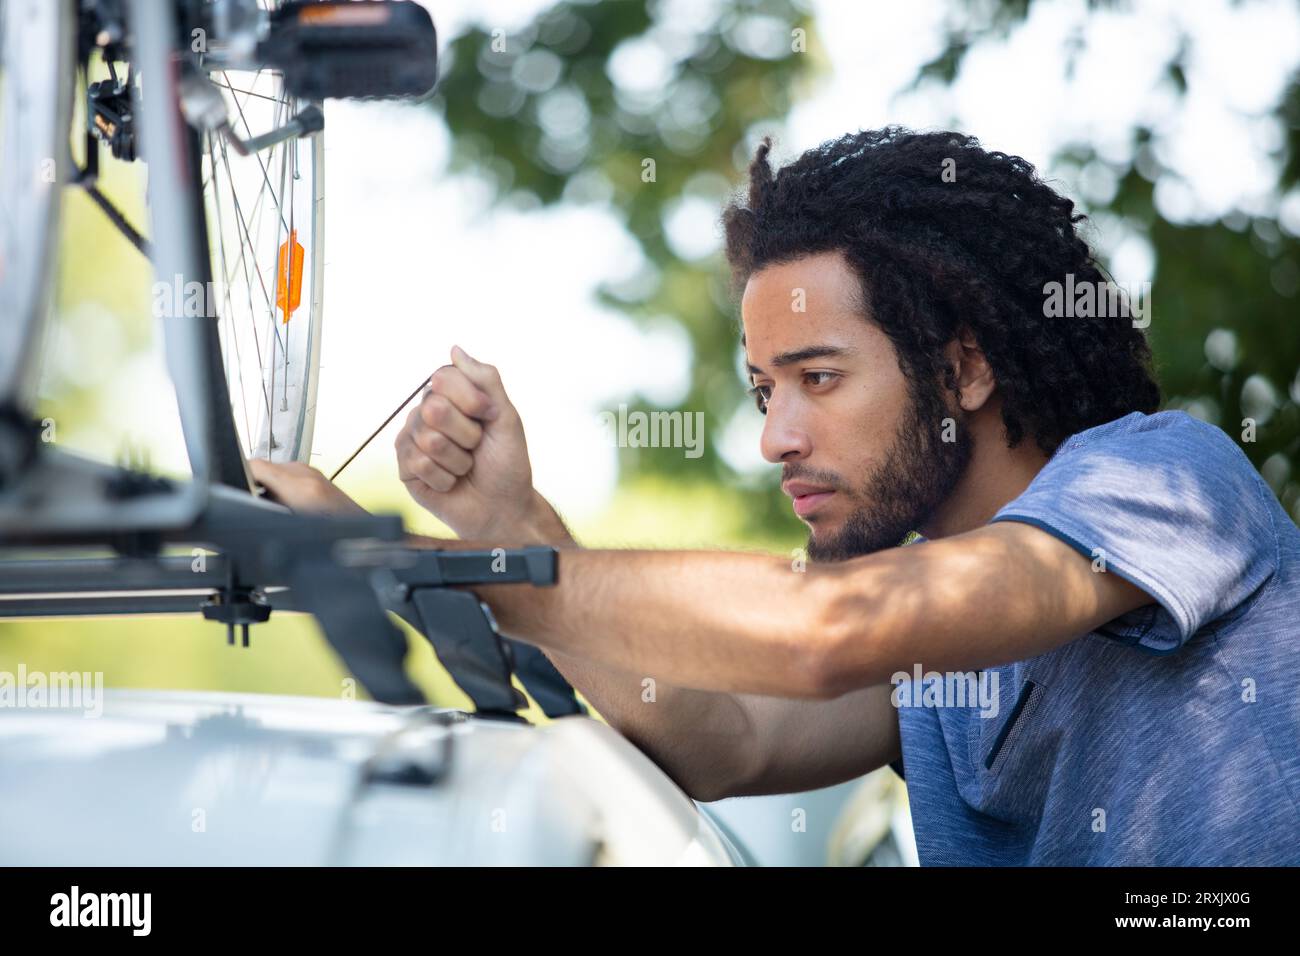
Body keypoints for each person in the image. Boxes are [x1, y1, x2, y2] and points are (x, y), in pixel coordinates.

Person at [250, 127, 1300, 865]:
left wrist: (411, 565)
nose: (774, 437)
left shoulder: (1165, 478)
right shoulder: (924, 659)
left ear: (964, 370)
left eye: (820, 378)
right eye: (762, 389)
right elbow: (721, 740)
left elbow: (822, 628)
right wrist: (502, 527)